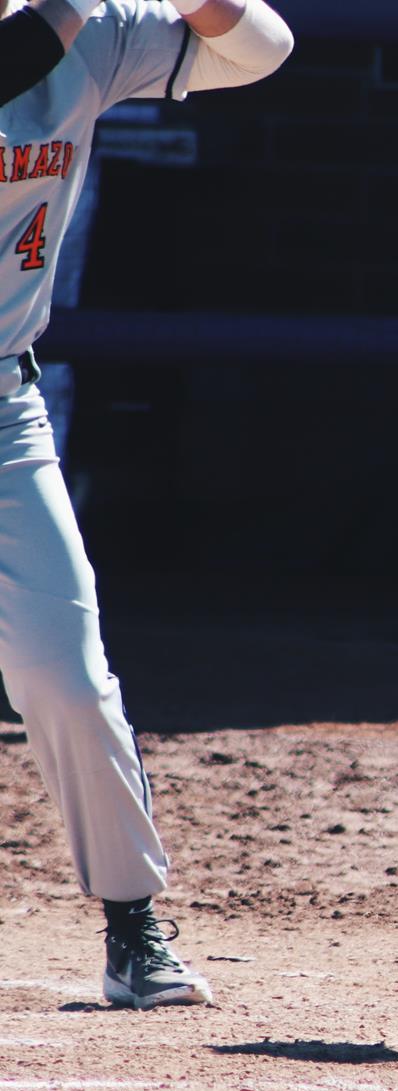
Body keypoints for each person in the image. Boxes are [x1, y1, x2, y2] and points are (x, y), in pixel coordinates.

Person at [0, 0, 293, 1008]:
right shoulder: (57, 27)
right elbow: (11, 62)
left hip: (2, 410)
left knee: (69, 675)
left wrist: (210, 6)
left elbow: (261, 53)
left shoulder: (87, 33)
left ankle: (133, 928)